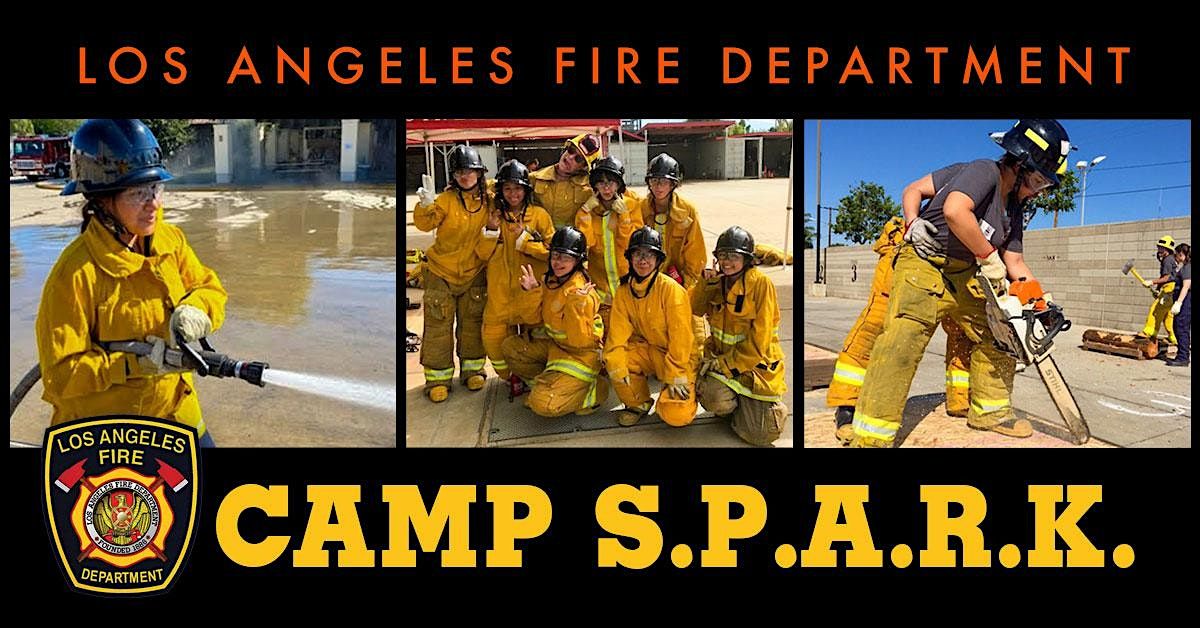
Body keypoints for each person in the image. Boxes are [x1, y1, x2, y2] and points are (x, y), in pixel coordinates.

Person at [849, 119, 1071, 448]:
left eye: (1045, 184)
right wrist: (918, 224)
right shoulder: (983, 171)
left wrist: (1039, 301)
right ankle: (871, 436)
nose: (1038, 190)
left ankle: (991, 411)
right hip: (925, 262)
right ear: (1019, 163)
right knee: (902, 341)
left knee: (1001, 333)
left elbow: (1015, 262)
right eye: (1037, 180)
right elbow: (955, 211)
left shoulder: (1014, 208)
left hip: (965, 272)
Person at [36, 119, 227, 447]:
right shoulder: (75, 273)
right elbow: (60, 375)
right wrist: (131, 365)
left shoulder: (170, 241)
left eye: (155, 189)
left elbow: (211, 289)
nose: (153, 203)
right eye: (138, 193)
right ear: (102, 201)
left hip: (176, 412)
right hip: (109, 433)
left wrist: (197, 308)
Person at [826, 216, 973, 445]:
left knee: (964, 331)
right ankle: (848, 405)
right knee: (876, 326)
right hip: (912, 252)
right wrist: (913, 222)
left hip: (960, 263)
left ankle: (961, 399)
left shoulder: (1006, 208)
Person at [693, 226, 789, 446]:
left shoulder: (760, 285)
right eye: (722, 256)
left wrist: (727, 364)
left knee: (762, 435)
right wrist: (706, 284)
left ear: (746, 259)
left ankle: (748, 409)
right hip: (721, 363)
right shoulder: (717, 281)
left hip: (755, 367)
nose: (727, 262)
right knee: (714, 397)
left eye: (734, 256)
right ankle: (733, 407)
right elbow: (696, 309)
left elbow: (760, 341)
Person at [413, 144, 491, 403]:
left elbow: (516, 188)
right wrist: (426, 205)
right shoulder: (445, 201)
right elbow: (425, 225)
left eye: (469, 171)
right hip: (441, 272)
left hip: (474, 272)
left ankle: (473, 370)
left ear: (479, 172)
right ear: (453, 176)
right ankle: (437, 379)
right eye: (459, 172)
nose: (464, 176)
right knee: (438, 327)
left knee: (472, 325)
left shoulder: (490, 199)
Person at [503, 227, 607, 416]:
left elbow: (580, 341)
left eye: (566, 257)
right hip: (556, 347)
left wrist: (577, 305)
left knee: (544, 405)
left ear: (577, 260)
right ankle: (549, 387)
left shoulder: (582, 292)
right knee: (512, 348)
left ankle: (595, 390)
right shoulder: (551, 281)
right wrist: (532, 291)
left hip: (581, 357)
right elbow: (532, 319)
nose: (558, 262)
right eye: (556, 255)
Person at [605, 227, 696, 427]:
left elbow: (681, 339)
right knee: (618, 361)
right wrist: (617, 368)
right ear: (630, 258)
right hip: (652, 350)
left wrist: (675, 374)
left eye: (649, 255)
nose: (643, 260)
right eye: (637, 254)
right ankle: (638, 403)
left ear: (658, 260)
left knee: (676, 416)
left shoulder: (671, 290)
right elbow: (617, 336)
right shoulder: (624, 291)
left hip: (680, 358)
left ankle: (687, 388)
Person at [475, 160, 555, 388]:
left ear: (526, 190)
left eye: (518, 188)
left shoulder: (539, 216)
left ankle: (532, 375)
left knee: (537, 343)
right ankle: (510, 377)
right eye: (507, 188)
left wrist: (525, 240)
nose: (513, 194)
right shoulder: (493, 217)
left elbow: (552, 254)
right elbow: (482, 254)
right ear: (500, 190)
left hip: (531, 296)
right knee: (492, 340)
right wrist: (491, 231)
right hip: (500, 296)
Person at [641, 152, 708, 371]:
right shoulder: (640, 210)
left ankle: (693, 365)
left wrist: (685, 286)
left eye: (664, 181)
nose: (659, 186)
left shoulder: (687, 211)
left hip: (680, 281)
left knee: (690, 327)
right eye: (654, 181)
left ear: (673, 184)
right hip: (649, 281)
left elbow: (695, 255)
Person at [574, 155, 644, 332]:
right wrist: (584, 212)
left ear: (619, 185)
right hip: (601, 291)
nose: (606, 188)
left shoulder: (632, 205)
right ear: (595, 185)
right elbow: (587, 243)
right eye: (601, 182)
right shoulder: (590, 209)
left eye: (611, 182)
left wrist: (624, 216)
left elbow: (633, 245)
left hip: (628, 286)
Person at [530, 134, 602, 228]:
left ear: (584, 167)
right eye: (571, 150)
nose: (570, 157)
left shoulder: (591, 189)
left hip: (572, 237)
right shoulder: (534, 179)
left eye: (578, 159)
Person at [1139, 235, 1179, 346]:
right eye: (1158, 247)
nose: (1159, 249)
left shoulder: (1167, 260)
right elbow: (1164, 277)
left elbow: (1167, 278)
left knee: (1155, 310)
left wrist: (1152, 282)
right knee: (1168, 317)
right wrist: (1157, 289)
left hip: (1169, 290)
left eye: (1161, 247)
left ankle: (1149, 332)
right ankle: (1173, 338)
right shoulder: (1170, 259)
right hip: (1171, 289)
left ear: (1167, 249)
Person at [1166, 243, 1191, 367]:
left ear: (1182, 254)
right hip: (1183, 299)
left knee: (1181, 328)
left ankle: (1183, 358)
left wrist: (1179, 302)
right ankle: (1182, 355)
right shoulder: (1184, 267)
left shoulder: (1187, 267)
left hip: (1185, 301)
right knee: (1179, 327)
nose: (1176, 257)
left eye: (1177, 254)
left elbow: (1186, 286)